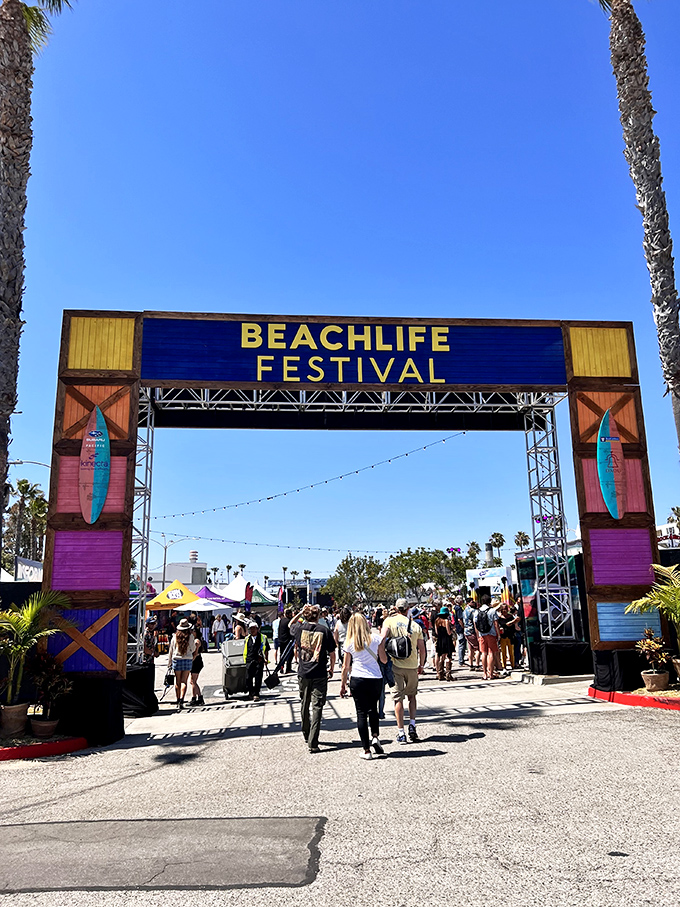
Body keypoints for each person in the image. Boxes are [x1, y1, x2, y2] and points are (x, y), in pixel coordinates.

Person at [340, 612, 386, 760]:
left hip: (358, 678)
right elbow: (383, 660)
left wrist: (343, 685)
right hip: (375, 678)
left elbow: (345, 667)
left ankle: (366, 750)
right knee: (374, 708)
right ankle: (375, 736)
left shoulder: (349, 642)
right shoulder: (376, 639)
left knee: (361, 713)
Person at [291, 604, 336, 754]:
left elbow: (290, 624)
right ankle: (313, 740)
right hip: (320, 672)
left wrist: (299, 614)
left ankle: (306, 732)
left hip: (304, 672)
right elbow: (332, 652)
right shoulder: (324, 631)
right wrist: (332, 668)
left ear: (306, 615)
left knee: (304, 703)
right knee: (317, 707)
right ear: (318, 616)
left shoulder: (299, 629)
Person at [381, 599, 426, 744]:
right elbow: (422, 648)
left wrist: (383, 658)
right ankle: (412, 725)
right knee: (412, 697)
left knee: (397, 699)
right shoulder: (414, 625)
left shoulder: (389, 622)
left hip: (395, 665)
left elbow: (382, 640)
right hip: (412, 665)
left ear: (396, 608)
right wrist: (421, 664)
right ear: (408, 609)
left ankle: (401, 732)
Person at [167, 618, 199, 710]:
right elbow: (192, 649)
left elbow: (171, 649)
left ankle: (177, 700)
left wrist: (169, 663)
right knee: (184, 681)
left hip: (177, 659)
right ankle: (182, 700)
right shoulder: (191, 636)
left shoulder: (175, 636)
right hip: (187, 659)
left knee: (177, 681)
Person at [474, 594, 500, 681]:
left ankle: (484, 673)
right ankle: (491, 673)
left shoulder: (477, 611)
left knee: (483, 653)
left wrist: (478, 634)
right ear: (489, 602)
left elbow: (475, 624)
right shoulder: (492, 611)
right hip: (491, 633)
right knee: (491, 653)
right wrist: (498, 634)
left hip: (482, 634)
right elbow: (496, 623)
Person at [243, 619, 269, 701]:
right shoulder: (247, 638)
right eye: (251, 628)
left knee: (258, 678)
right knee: (248, 678)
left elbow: (266, 649)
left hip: (259, 660)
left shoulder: (263, 637)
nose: (252, 630)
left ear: (257, 629)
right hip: (249, 660)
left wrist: (266, 659)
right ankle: (251, 692)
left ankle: (256, 694)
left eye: (254, 628)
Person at [497, 602, 520, 671]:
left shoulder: (510, 617)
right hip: (503, 637)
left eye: (506, 609)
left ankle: (513, 665)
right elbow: (497, 626)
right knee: (503, 652)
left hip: (510, 636)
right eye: (503, 609)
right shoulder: (499, 618)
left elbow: (515, 625)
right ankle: (504, 666)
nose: (505, 611)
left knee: (511, 652)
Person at [434, 606, 454, 681]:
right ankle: (448, 674)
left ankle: (440, 673)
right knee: (448, 657)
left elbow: (436, 632)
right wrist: (452, 631)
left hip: (440, 640)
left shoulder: (436, 621)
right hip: (447, 640)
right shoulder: (446, 621)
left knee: (441, 656)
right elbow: (448, 632)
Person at [463, 598, 481, 670]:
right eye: (472, 602)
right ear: (468, 602)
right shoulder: (473, 611)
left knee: (470, 649)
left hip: (466, 630)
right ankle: (477, 664)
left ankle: (470, 664)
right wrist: (477, 633)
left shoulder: (464, 610)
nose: (474, 603)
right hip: (472, 630)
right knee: (477, 649)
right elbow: (475, 622)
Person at [189, 634, 205, 706]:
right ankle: (196, 697)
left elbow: (195, 653)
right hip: (195, 662)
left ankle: (197, 698)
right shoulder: (193, 640)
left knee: (193, 681)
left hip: (196, 662)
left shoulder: (196, 641)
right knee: (192, 681)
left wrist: (191, 661)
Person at [453, 596, 467, 667]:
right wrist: (463, 627)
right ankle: (461, 661)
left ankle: (461, 660)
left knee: (461, 644)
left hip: (458, 628)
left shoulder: (455, 608)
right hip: (460, 629)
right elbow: (459, 619)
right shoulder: (458, 609)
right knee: (462, 644)